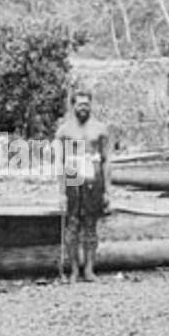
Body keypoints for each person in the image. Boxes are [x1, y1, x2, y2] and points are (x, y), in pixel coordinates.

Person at [54, 91, 110, 283]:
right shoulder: (64, 131)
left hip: (93, 179)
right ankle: (74, 270)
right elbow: (60, 163)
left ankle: (89, 269)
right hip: (72, 177)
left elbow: (106, 161)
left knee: (90, 224)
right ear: (73, 106)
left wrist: (107, 191)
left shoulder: (100, 129)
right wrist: (61, 192)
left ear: (91, 105)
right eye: (80, 104)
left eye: (86, 104)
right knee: (72, 224)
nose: (83, 108)